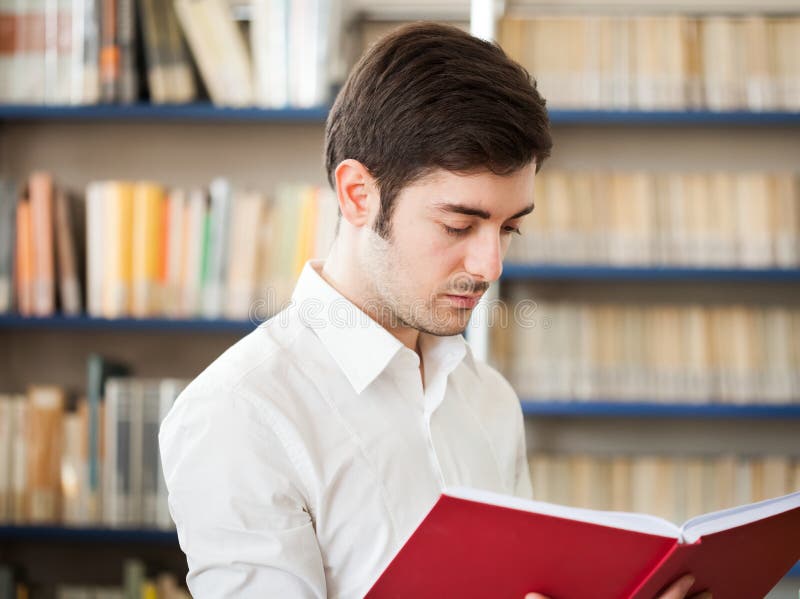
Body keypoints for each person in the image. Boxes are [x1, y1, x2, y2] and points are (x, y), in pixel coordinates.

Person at [158, 22, 708, 598]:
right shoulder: (239, 414)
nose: (491, 265)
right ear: (358, 195)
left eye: (510, 226)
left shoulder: (487, 397)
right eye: (458, 225)